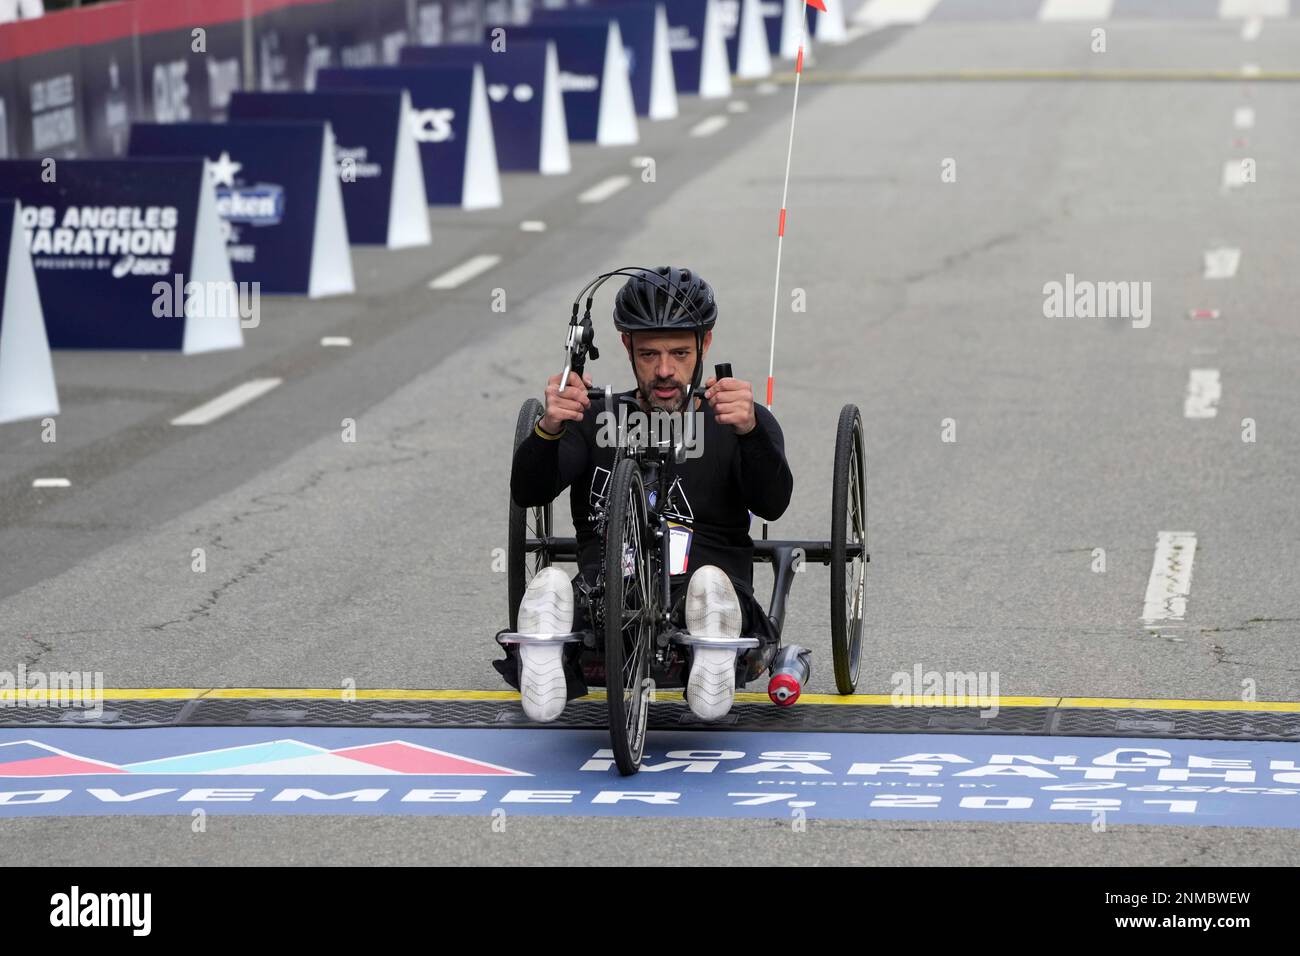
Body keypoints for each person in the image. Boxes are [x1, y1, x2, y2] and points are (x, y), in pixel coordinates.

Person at [501, 266, 793, 722]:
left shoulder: (734, 416)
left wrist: (754, 433)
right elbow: (529, 490)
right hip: (608, 598)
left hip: (712, 583)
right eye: (648, 354)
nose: (663, 370)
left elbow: (772, 503)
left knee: (710, 591)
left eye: (679, 353)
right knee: (562, 593)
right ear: (626, 347)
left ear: (705, 344)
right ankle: (548, 639)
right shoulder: (593, 416)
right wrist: (549, 428)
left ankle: (713, 649)